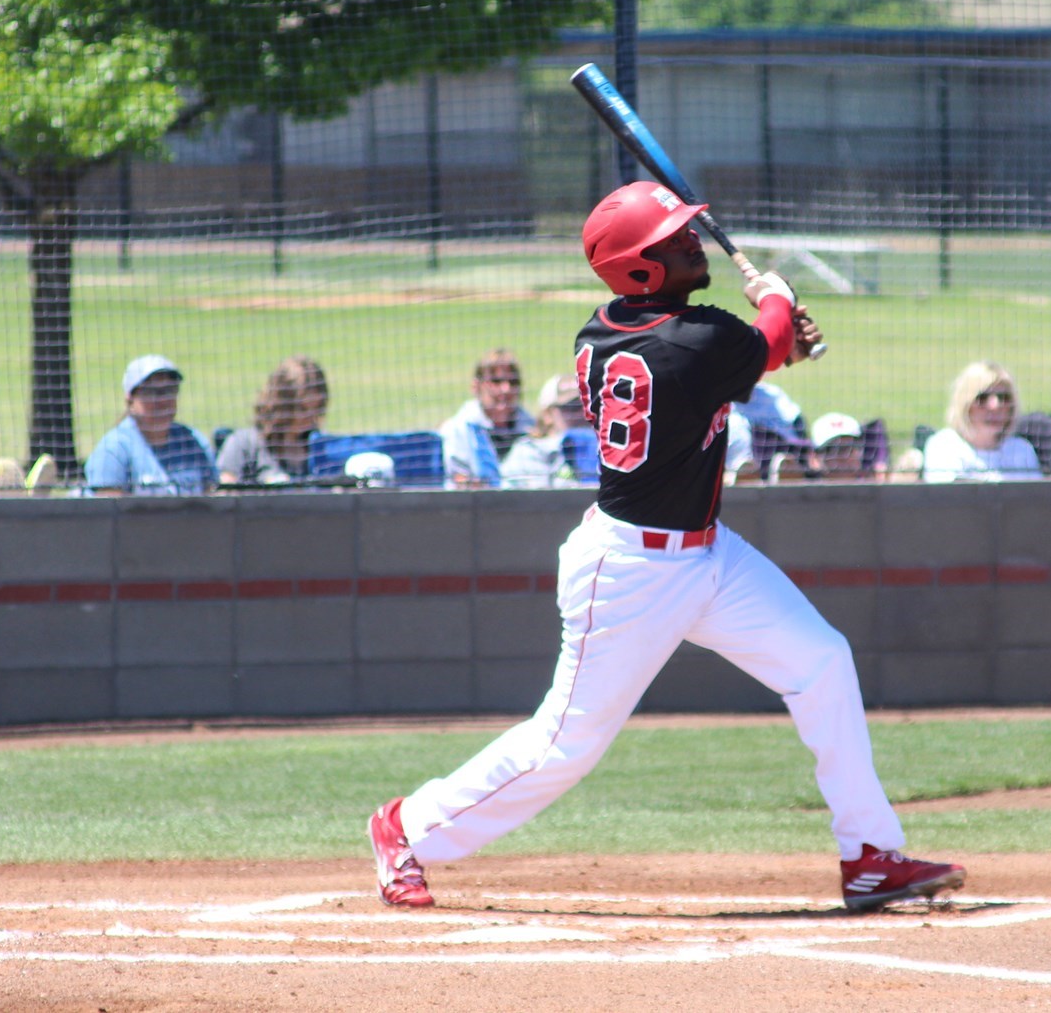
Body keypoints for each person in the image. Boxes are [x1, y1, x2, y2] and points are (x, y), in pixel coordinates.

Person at [368, 180, 963, 915]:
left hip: (707, 555)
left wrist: (773, 340)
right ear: (641, 271)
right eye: (675, 241)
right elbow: (761, 340)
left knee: (821, 659)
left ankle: (871, 856)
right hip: (630, 571)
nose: (692, 243)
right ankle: (406, 829)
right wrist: (775, 296)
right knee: (564, 745)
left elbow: (750, 355)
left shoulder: (608, 330)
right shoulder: (694, 340)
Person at [84, 355, 218, 495]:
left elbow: (212, 499)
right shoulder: (114, 449)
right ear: (130, 400)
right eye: (151, 392)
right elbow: (108, 509)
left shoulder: (192, 442)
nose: (162, 401)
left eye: (170, 390)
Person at [921, 361, 1043, 482]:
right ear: (965, 405)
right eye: (982, 398)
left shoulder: (1022, 450)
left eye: (1003, 398)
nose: (995, 406)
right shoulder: (944, 445)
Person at [218, 355, 328, 486]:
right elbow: (225, 492)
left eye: (317, 408)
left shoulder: (321, 448)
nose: (311, 417)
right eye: (302, 409)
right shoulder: (243, 443)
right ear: (281, 405)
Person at [438, 350, 534, 488]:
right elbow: (458, 482)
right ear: (476, 387)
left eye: (513, 382)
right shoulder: (458, 429)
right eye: (496, 381)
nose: (506, 389)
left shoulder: (531, 428)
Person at [498, 374, 599, 489]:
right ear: (547, 415)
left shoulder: (600, 449)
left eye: (586, 407)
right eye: (572, 407)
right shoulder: (527, 453)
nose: (582, 415)